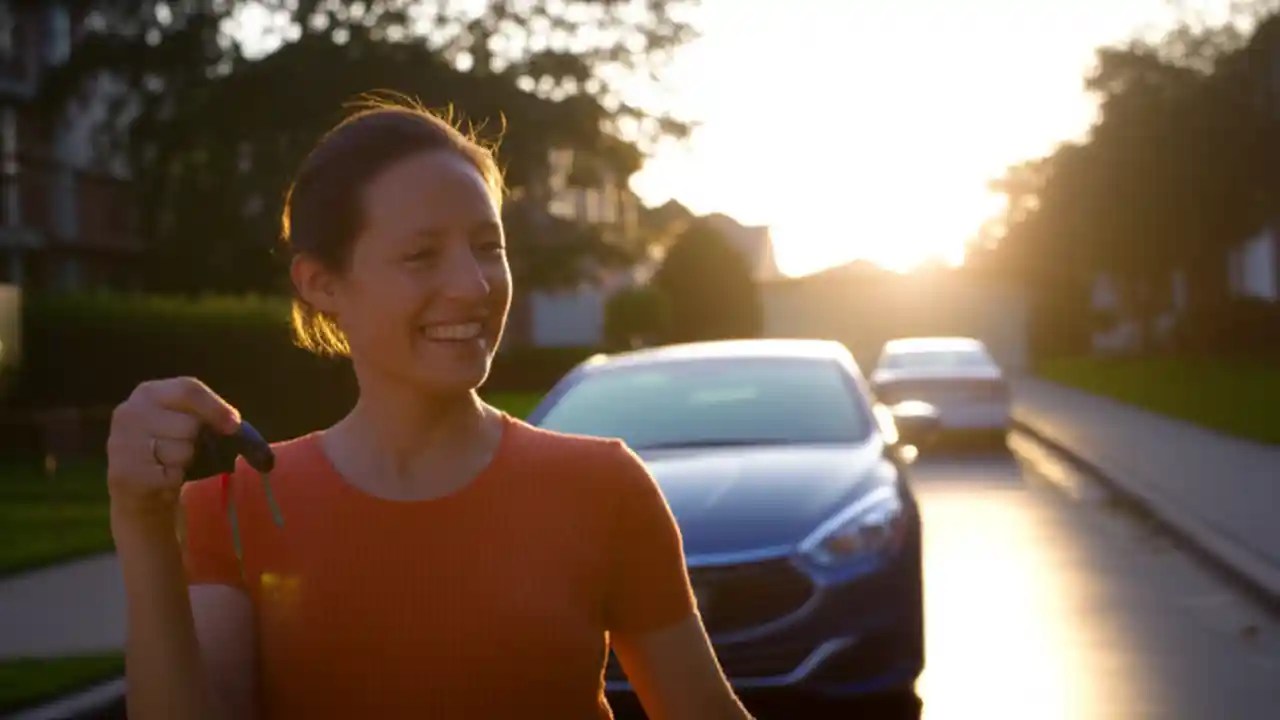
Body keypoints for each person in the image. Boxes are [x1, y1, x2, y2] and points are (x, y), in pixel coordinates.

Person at [105, 96, 752, 719]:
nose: (473, 286)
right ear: (321, 282)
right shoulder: (236, 505)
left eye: (488, 246)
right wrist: (141, 524)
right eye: (421, 255)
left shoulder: (604, 486)